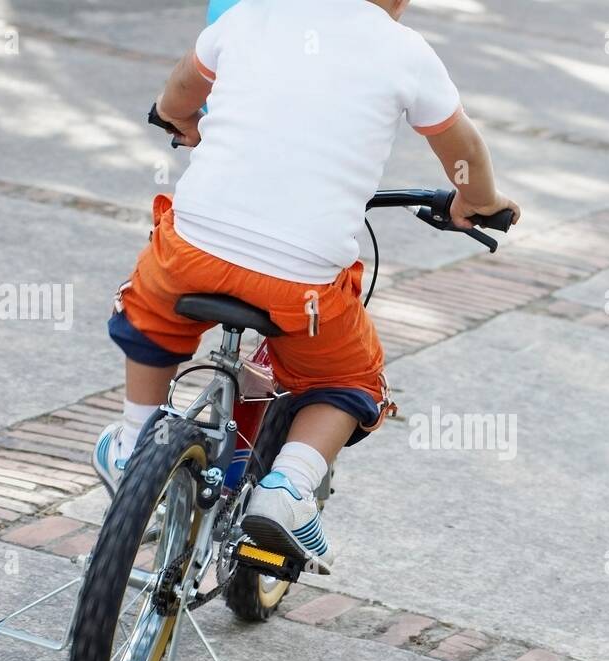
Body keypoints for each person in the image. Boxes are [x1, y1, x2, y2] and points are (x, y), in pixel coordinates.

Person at [93, 0, 520, 574]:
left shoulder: (248, 16)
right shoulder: (406, 52)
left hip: (192, 251)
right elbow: (461, 150)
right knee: (347, 379)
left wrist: (183, 121)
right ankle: (288, 490)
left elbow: (178, 92)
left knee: (149, 316)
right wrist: (478, 200)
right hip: (301, 283)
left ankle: (131, 440)